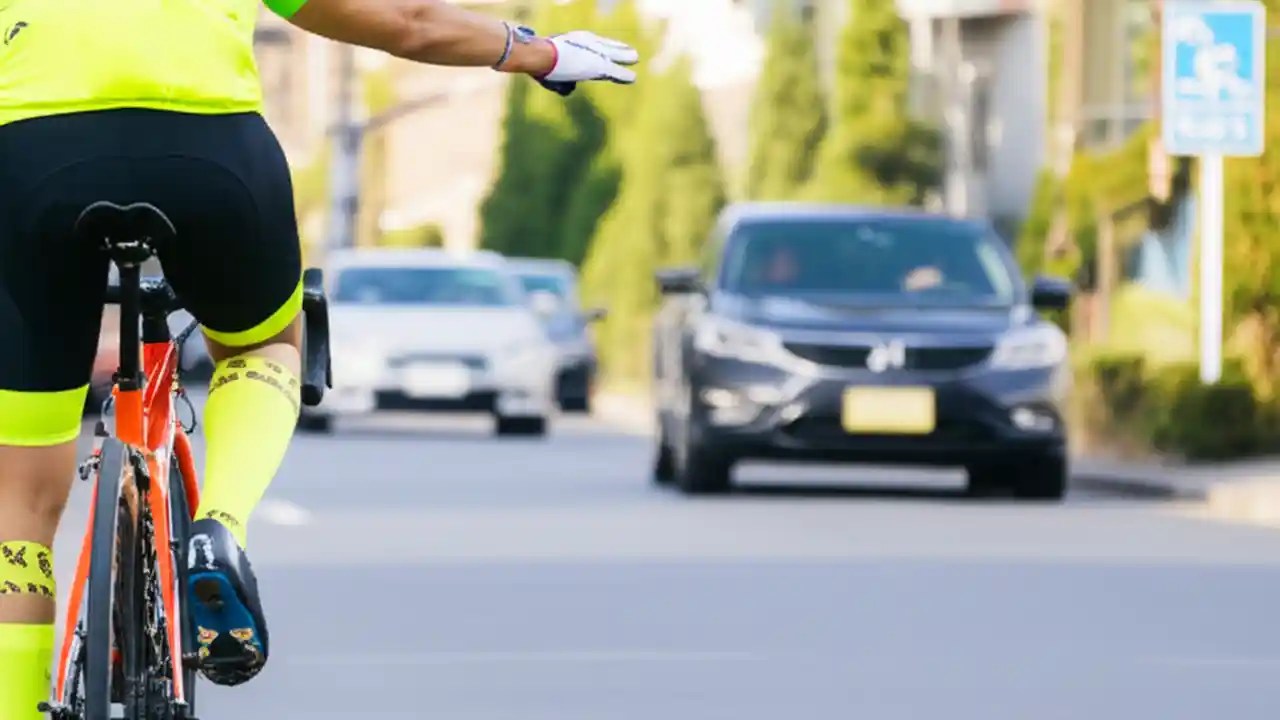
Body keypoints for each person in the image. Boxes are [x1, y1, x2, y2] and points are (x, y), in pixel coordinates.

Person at [0, 0, 638, 714]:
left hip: (31, 162)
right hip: (213, 160)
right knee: (266, 343)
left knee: (17, 504)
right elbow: (409, 20)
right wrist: (535, 51)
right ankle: (221, 526)